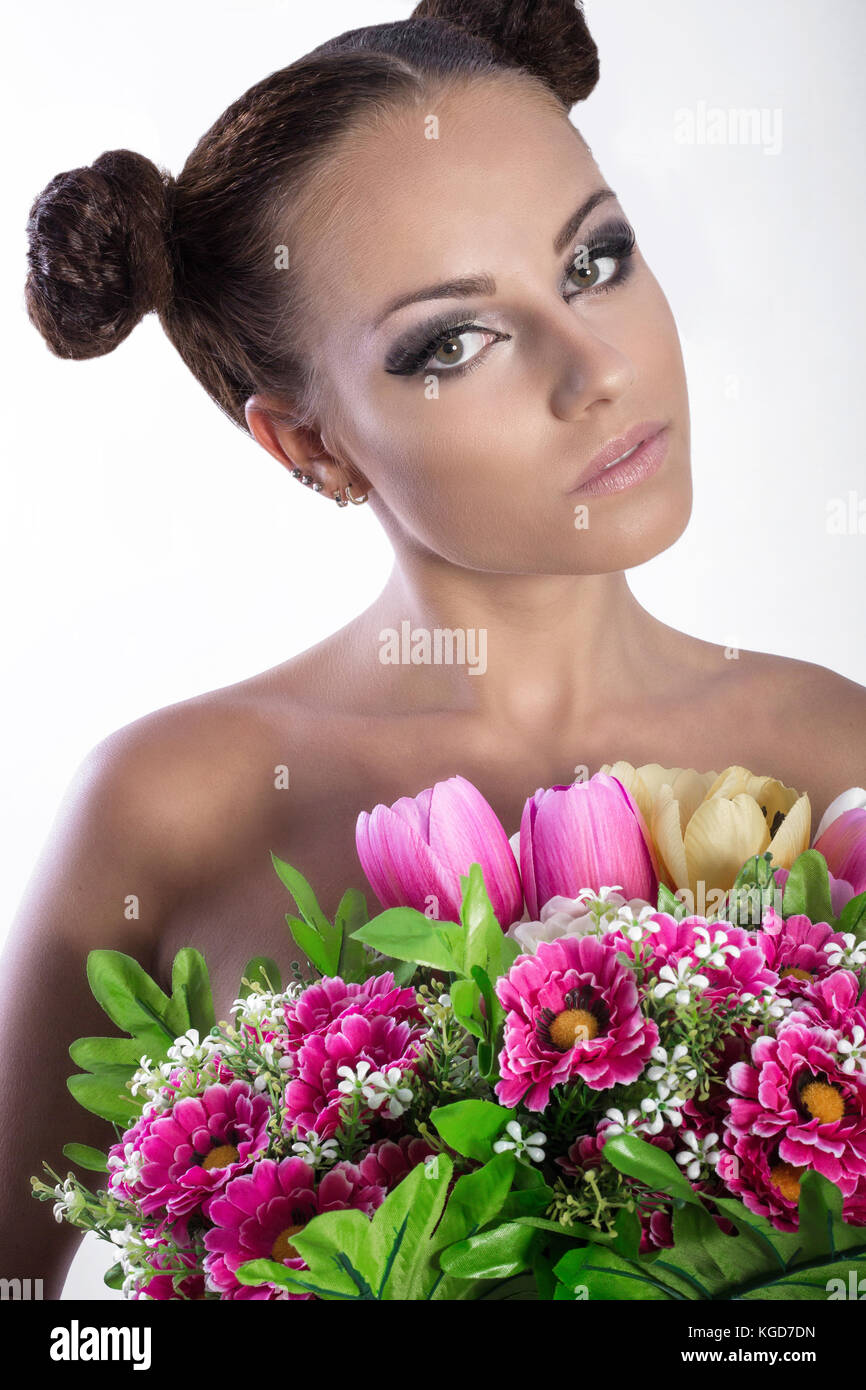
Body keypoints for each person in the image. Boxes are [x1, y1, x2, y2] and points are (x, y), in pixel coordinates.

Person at [7, 0, 866, 1298]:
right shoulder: (170, 807)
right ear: (309, 444)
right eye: (450, 342)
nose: (596, 370)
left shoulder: (834, 748)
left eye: (594, 260)